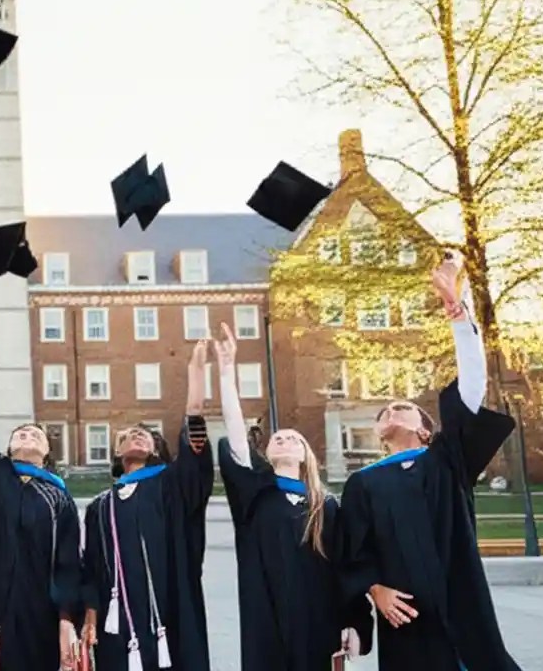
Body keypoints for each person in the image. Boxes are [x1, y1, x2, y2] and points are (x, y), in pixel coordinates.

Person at [340, 252, 522, 670]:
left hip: (460, 597)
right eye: (384, 410)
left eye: (402, 406)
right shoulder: (363, 483)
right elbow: (353, 550)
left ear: (425, 429)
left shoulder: (445, 462)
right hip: (405, 611)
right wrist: (374, 589)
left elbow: (471, 390)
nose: (390, 410)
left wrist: (456, 313)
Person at [212, 322, 373, 670]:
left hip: (320, 619)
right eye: (277, 438)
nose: (284, 440)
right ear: (266, 454)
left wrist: (355, 621)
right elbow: (237, 438)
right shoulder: (255, 496)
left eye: (293, 439)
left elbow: (347, 567)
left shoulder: (326, 506)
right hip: (265, 618)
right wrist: (227, 374)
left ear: (306, 455)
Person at [0, 309, 83, 671]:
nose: (27, 434)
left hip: (38, 617)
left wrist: (66, 622)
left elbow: (69, 564)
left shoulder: (60, 497)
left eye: (36, 434)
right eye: (19, 433)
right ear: (8, 448)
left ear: (47, 452)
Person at [79, 339, 215, 671]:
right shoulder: (100, 507)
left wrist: (195, 379)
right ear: (116, 455)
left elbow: (195, 450)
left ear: (157, 448)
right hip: (119, 620)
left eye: (145, 434)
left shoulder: (172, 484)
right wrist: (90, 617)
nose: (136, 436)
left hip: (171, 607)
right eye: (126, 436)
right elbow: (93, 568)